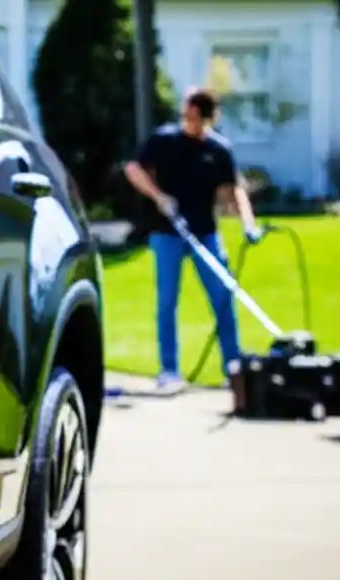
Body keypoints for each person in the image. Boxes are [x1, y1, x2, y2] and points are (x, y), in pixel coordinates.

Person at [123, 87, 263, 395]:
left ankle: (233, 370)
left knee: (223, 298)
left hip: (205, 233)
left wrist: (248, 224)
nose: (189, 122)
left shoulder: (218, 150)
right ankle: (169, 371)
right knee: (167, 302)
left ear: (208, 118)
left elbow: (234, 190)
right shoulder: (164, 140)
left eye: (196, 118)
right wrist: (159, 197)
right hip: (167, 232)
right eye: (186, 116)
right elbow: (133, 169)